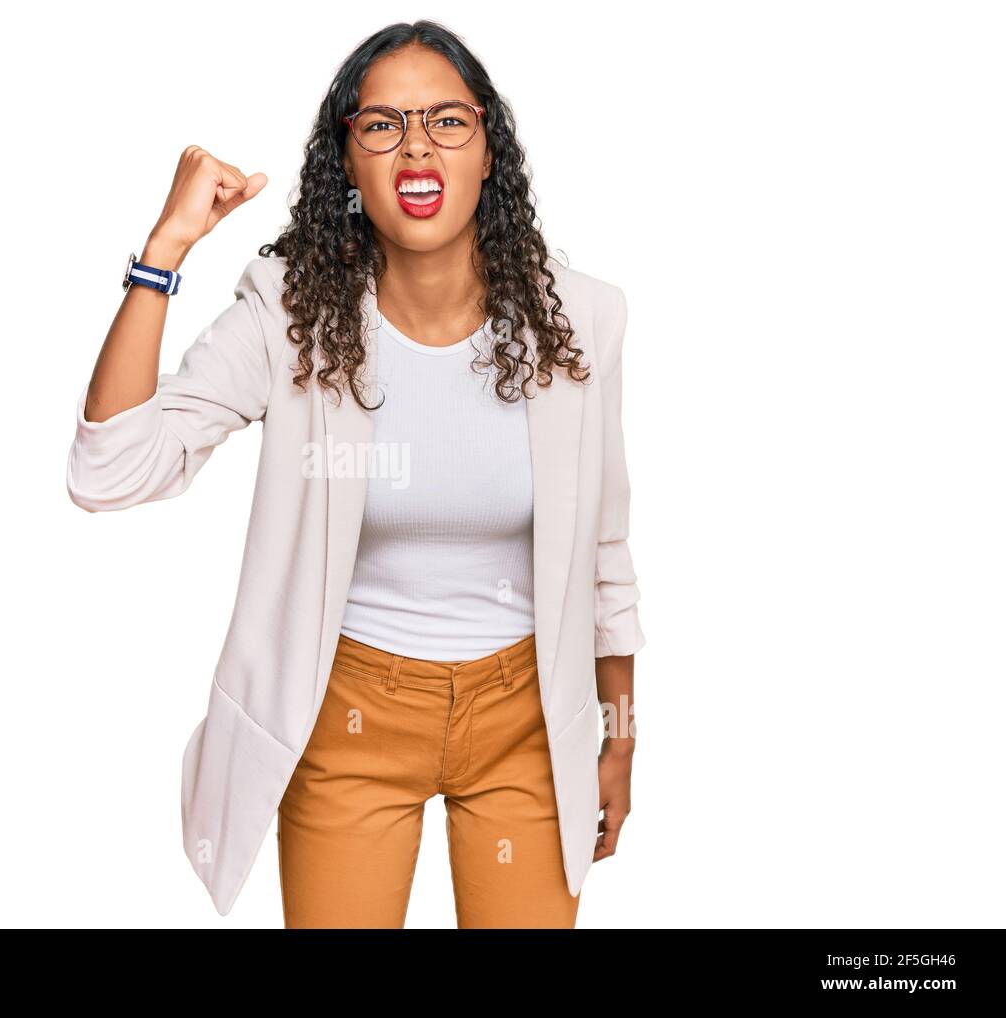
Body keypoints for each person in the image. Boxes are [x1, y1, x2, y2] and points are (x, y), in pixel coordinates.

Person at [66, 20, 645, 928]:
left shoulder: (580, 324)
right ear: (348, 160)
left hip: (529, 723)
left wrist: (619, 737)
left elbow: (605, 550)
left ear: (490, 149)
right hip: (348, 721)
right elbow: (110, 469)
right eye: (382, 126)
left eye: (448, 121)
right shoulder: (291, 317)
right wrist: (165, 251)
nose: (417, 145)